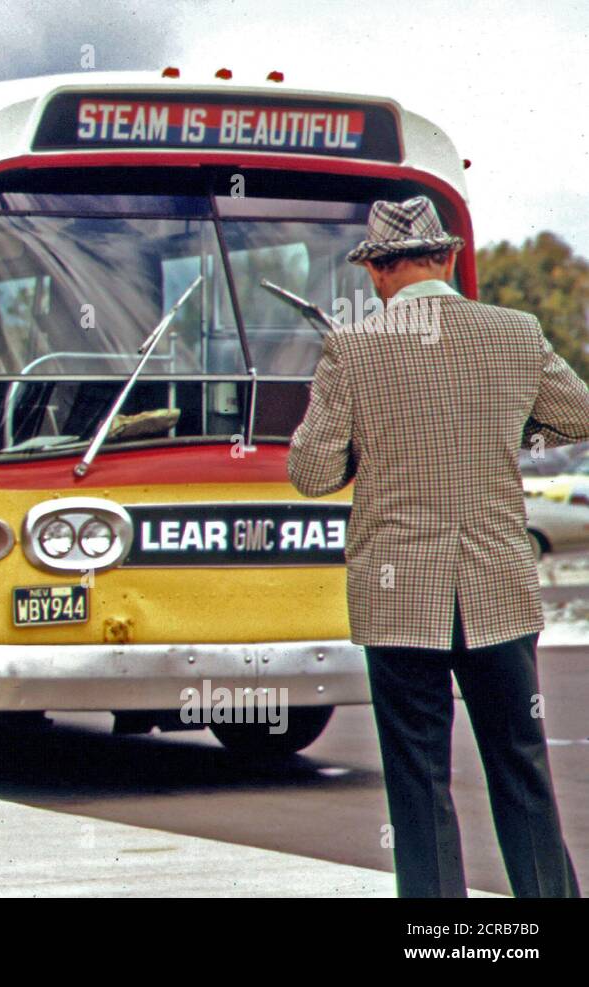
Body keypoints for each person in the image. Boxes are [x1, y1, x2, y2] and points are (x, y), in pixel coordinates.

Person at [288, 195, 584, 898]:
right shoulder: (515, 332)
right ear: (447, 258)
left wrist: (367, 448)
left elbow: (311, 474)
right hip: (498, 587)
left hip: (400, 598)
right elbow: (578, 413)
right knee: (522, 767)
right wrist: (509, 438)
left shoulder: (353, 348)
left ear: (378, 273)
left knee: (419, 779)